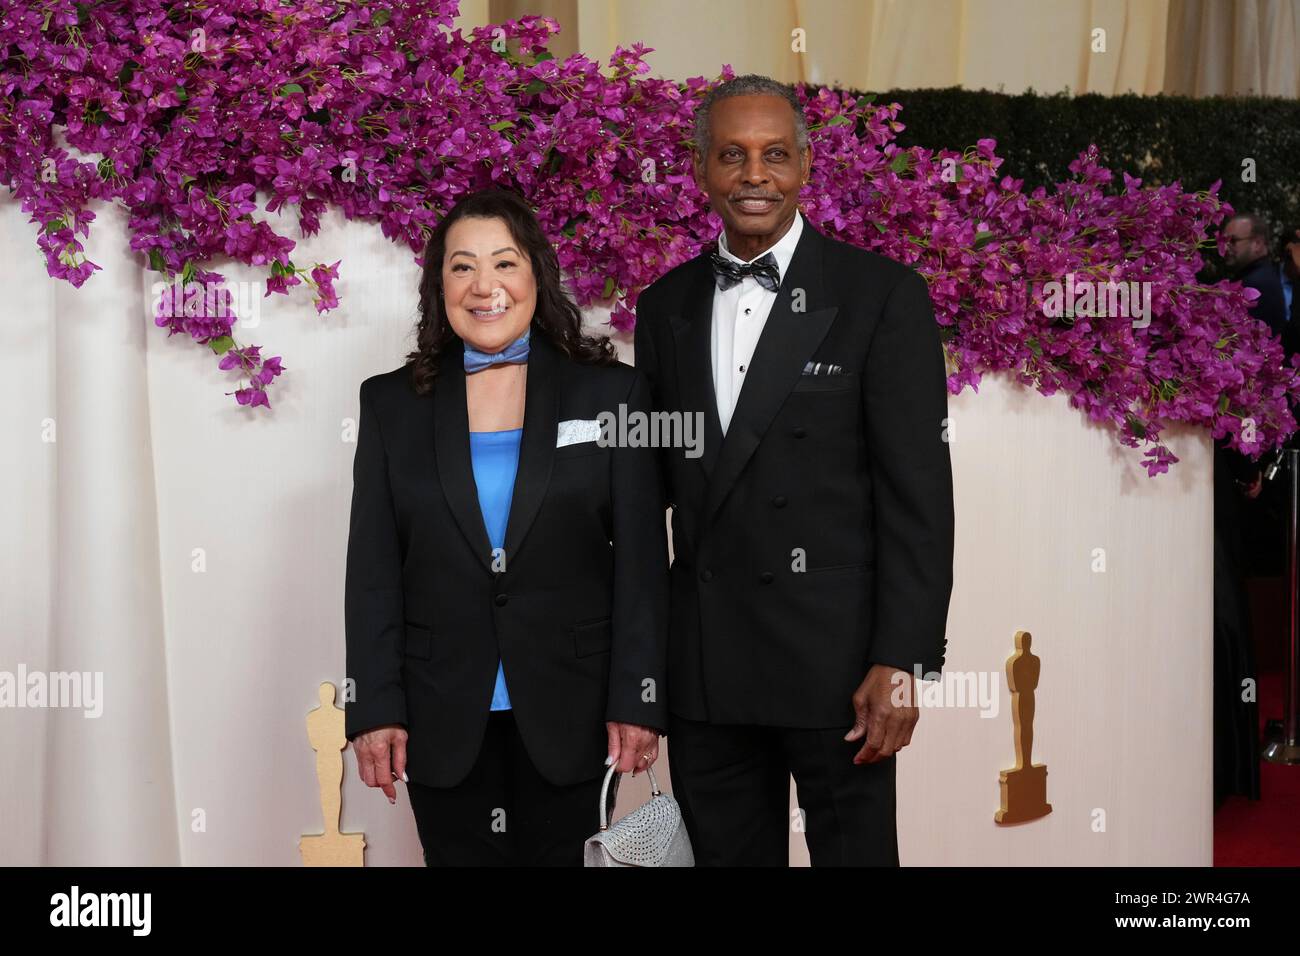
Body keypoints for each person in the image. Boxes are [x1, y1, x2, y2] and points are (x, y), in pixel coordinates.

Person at [633, 74, 955, 866]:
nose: (754, 175)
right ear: (701, 169)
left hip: (841, 671)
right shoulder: (663, 305)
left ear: (805, 167)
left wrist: (904, 663)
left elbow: (919, 501)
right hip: (707, 671)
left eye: (775, 155)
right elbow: (646, 504)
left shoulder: (881, 295)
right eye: (732, 155)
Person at [344, 189, 668, 866]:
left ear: (536, 275)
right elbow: (372, 572)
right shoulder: (389, 405)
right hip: (440, 714)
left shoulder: (613, 393)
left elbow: (642, 564)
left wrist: (640, 697)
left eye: (504, 263)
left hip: (573, 713)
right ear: (439, 285)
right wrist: (374, 709)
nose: (484, 286)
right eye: (462, 267)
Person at [1223, 213, 1287, 335]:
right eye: (1223, 241)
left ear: (1257, 243)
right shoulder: (1263, 274)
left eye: (1233, 240)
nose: (1225, 247)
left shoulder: (1255, 282)